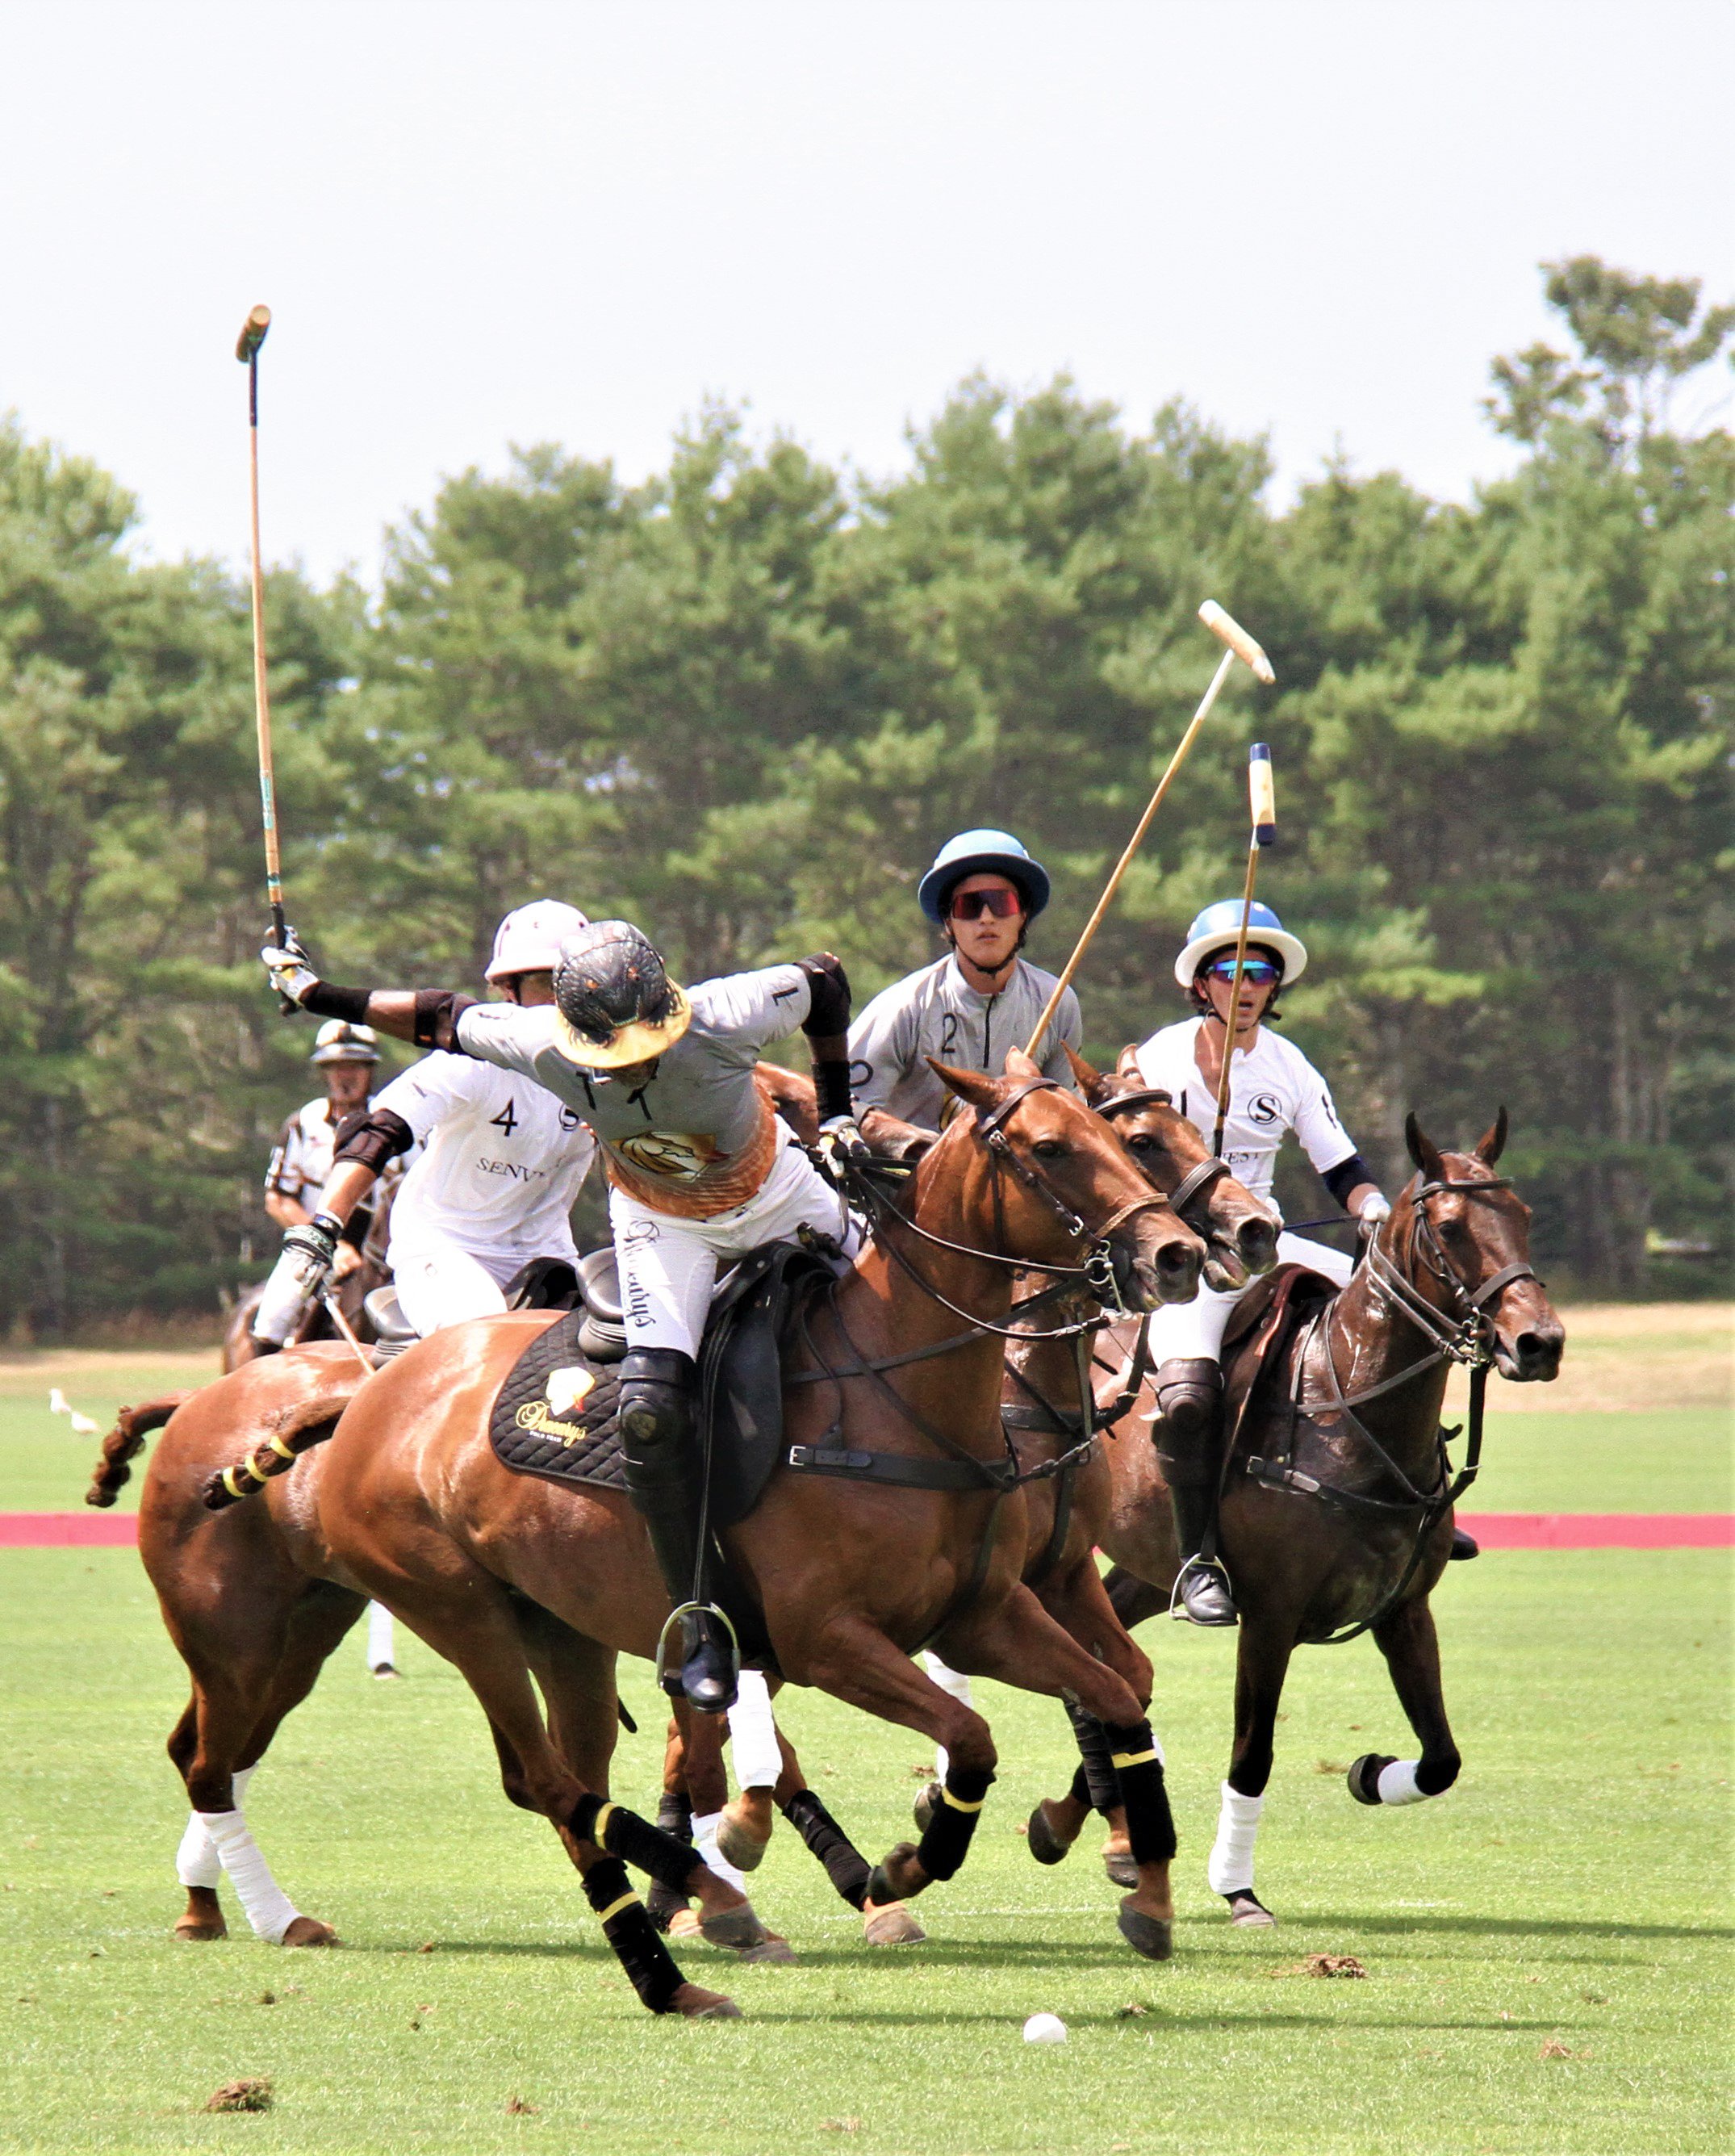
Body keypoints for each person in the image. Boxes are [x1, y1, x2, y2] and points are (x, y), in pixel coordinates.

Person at [259, 915, 866, 1714]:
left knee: (891, 1303)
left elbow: (823, 981)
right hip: (589, 1232)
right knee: (641, 1409)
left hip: (741, 1201)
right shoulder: (525, 1044)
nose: (626, 1065)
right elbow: (421, 1041)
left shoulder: (726, 1008)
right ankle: (678, 1612)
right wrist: (313, 994)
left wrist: (839, 1108)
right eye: (540, 989)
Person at [1131, 901, 1390, 1626]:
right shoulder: (1160, 1057)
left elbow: (1343, 1166)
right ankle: (1197, 1561)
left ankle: (1415, 1511)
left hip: (1267, 1244)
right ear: (1202, 982)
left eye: (1260, 971)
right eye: (1229, 969)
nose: (1245, 984)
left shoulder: (1289, 1065)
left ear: (1274, 986)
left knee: (1402, 1320)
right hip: (1184, 1257)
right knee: (1186, 1401)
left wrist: (1372, 1205)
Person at [249, 902, 598, 1346]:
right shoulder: (474, 1059)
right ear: (508, 990)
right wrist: (324, 1227)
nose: (557, 1002)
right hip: (445, 1251)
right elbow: (377, 1133)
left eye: (568, 985)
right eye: (544, 983)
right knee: (490, 1347)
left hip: (547, 1257)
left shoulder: (607, 1068)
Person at [848, 829, 1082, 1132]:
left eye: (1002, 904)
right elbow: (844, 1108)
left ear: (1023, 914)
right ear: (949, 921)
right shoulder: (904, 1006)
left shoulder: (1057, 1001)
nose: (986, 918)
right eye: (969, 906)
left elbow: (1067, 1119)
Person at [261, 1020, 385, 1292]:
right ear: (325, 1072)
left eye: (355, 1065)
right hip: (316, 1247)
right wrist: (330, 1245)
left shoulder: (392, 1120)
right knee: (274, 1316)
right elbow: (278, 1199)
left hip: (389, 1249)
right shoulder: (303, 1123)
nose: (346, 1075)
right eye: (336, 1066)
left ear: (370, 1070)